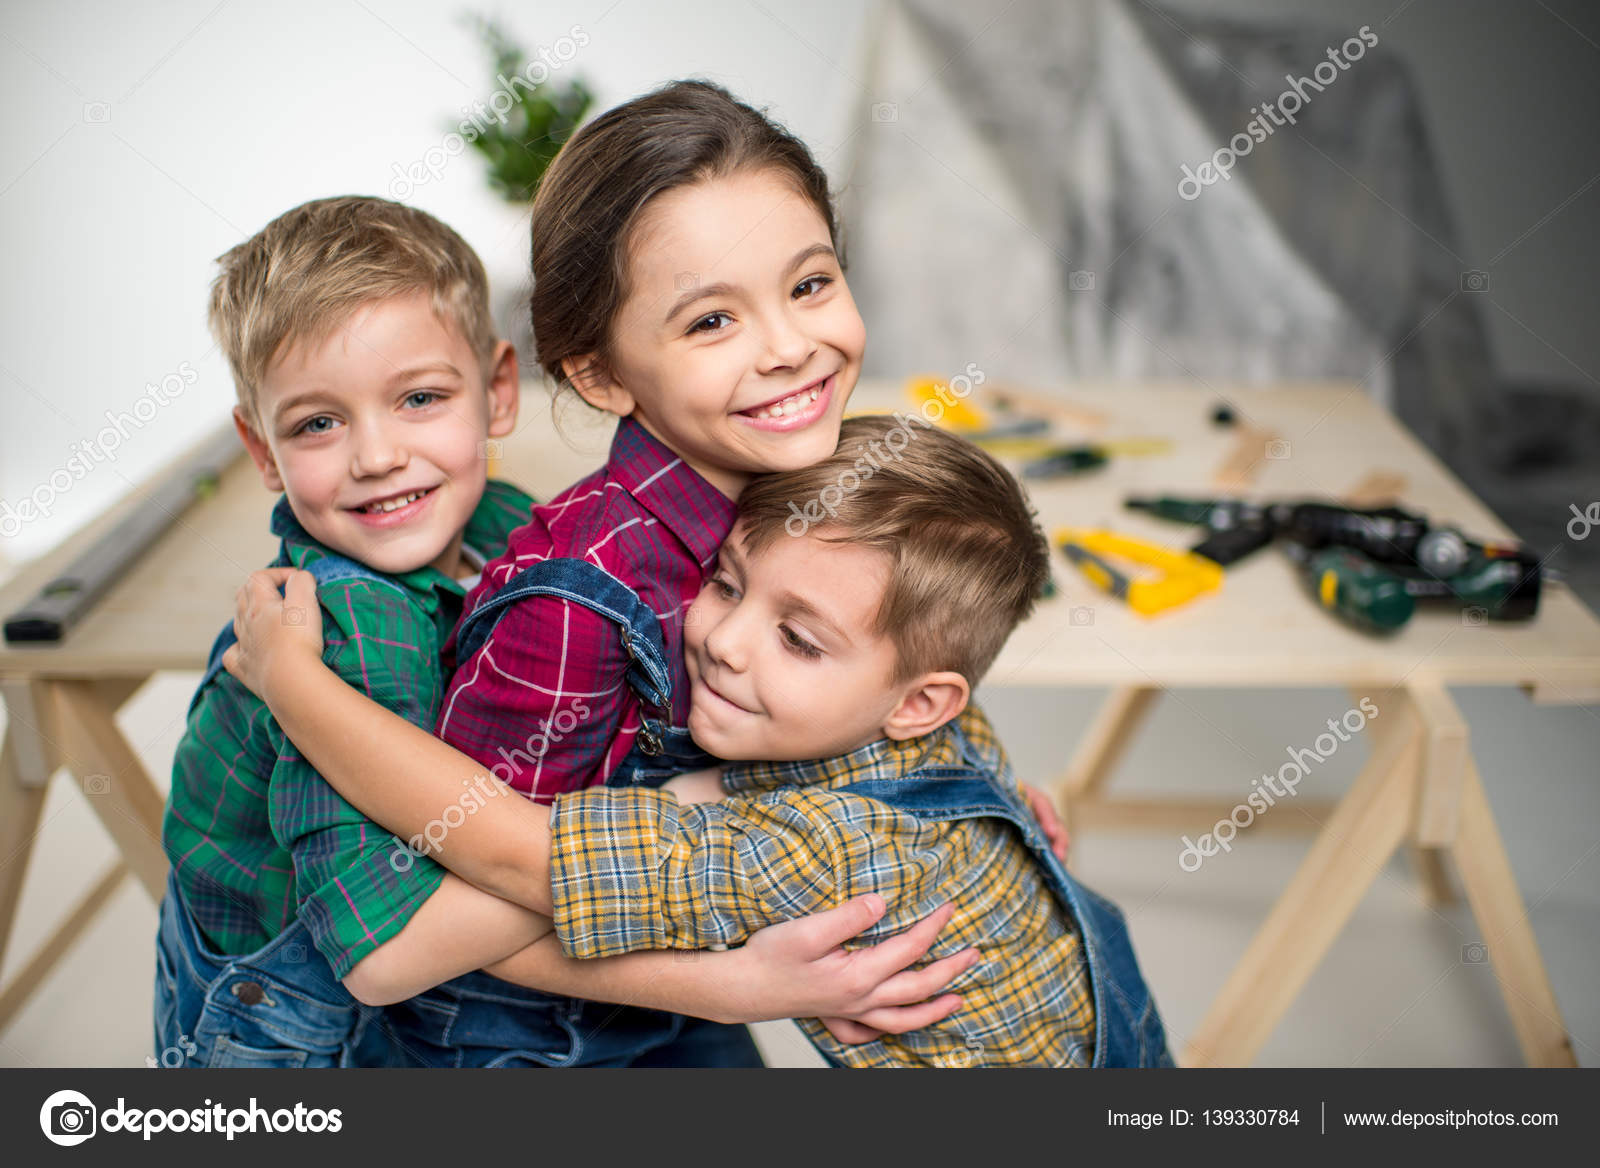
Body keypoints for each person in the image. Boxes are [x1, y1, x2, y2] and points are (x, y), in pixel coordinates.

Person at [156, 196, 964, 1071]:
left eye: (420, 398)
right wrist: (731, 954)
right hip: (293, 1024)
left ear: (499, 390)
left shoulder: (512, 527)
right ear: (261, 449)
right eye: (318, 422)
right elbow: (385, 958)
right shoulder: (343, 634)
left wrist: (959, 790)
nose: (378, 455)